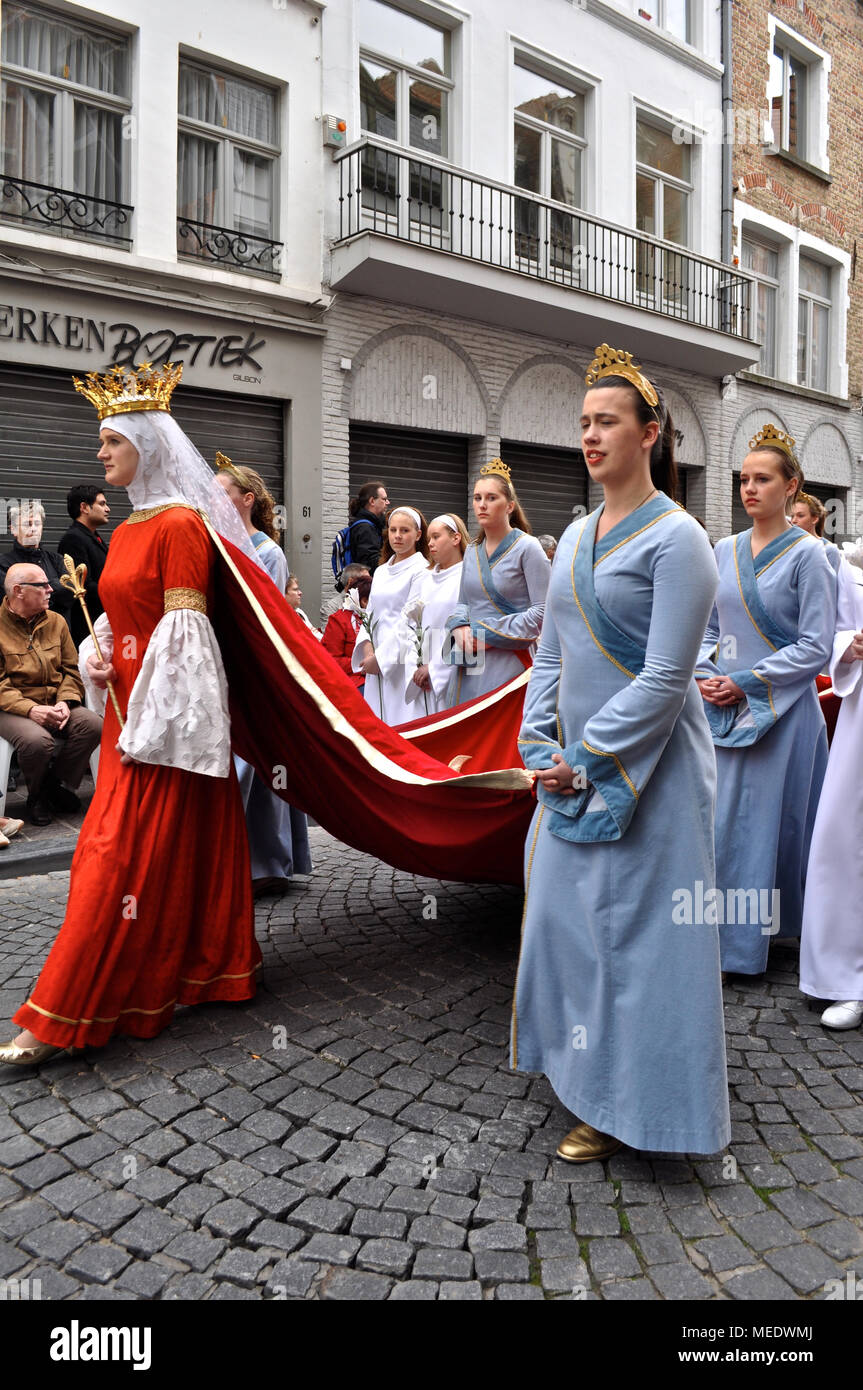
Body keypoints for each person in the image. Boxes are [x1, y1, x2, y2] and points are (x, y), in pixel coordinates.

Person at [0, 363, 264, 1064]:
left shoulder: (180, 524)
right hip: (124, 710)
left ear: (145, 445)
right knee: (116, 853)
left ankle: (64, 1011)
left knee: (119, 855)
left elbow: (188, 636)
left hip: (159, 725)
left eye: (110, 440)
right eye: (101, 442)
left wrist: (144, 702)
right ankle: (195, 969)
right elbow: (126, 615)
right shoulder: (135, 526)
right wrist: (98, 655)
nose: (99, 453)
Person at [512, 343, 729, 1162]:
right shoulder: (570, 534)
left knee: (641, 941)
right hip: (571, 772)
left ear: (650, 433)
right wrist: (539, 739)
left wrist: (590, 755)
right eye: (583, 423)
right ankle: (582, 1072)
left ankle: (640, 1106)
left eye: (607, 422)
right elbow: (552, 653)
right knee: (569, 926)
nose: (590, 436)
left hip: (655, 774)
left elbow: (670, 678)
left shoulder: (679, 543)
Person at [696, 424, 835, 977]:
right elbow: (706, 626)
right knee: (724, 825)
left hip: (785, 714)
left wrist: (748, 680)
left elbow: (816, 646)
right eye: (743, 480)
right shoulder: (721, 550)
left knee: (776, 826)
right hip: (723, 710)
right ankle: (719, 941)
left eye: (763, 479)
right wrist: (707, 671)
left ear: (792, 486)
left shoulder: (809, 556)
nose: (749, 489)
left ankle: (767, 939)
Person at [216, 461, 311, 897]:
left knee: (257, 762)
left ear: (247, 499)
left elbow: (267, 618)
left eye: (224, 491)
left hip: (253, 665)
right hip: (218, 662)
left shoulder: (267, 551)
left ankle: (268, 861)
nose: (215, 499)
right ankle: (229, 859)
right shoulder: (213, 542)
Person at [799, 557, 863, 1030]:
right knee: (843, 838)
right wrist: (850, 647)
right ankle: (846, 979)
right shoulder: (851, 565)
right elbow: (834, 633)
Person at [0, 562, 102, 826]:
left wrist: (65, 701)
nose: (50, 589)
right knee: (37, 741)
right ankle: (37, 796)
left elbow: (71, 669)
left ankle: (52, 787)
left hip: (55, 701)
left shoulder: (56, 622)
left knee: (93, 725)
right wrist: (31, 709)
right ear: (18, 591)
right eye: (42, 585)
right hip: (11, 708)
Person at [445, 463, 550, 705]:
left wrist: (486, 635)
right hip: (470, 657)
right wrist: (459, 627)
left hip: (511, 658)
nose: (482, 505)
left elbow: (543, 611)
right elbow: (463, 602)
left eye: (492, 498)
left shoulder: (528, 547)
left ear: (510, 506)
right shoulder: (471, 550)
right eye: (477, 498)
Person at [352, 507, 428, 724]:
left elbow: (411, 620)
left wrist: (382, 658)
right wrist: (368, 650)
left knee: (401, 721)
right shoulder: (382, 570)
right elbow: (370, 614)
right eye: (393, 530)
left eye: (404, 530)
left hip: (401, 660)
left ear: (418, 535)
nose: (397, 536)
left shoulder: (421, 570)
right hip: (376, 659)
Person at [402, 513, 469, 715]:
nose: (430, 543)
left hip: (455, 674)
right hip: (420, 675)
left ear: (456, 538)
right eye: (429, 538)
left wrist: (434, 668)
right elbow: (409, 623)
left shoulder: (468, 578)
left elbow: (470, 629)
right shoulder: (426, 578)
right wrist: (415, 665)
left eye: (436, 537)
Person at [214, 456, 287, 589]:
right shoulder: (213, 542)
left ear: (247, 499)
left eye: (222, 494)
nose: (213, 501)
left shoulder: (269, 553)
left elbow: (272, 607)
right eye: (211, 494)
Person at [0, 502, 75, 628]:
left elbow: (70, 593)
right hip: (22, 636)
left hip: (58, 634)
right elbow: (14, 602)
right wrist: (55, 585)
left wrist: (33, 590)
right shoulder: (3, 564)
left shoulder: (57, 560)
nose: (33, 528)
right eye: (27, 524)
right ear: (13, 529)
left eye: (37, 523)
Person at [57, 485, 111, 647]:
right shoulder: (73, 539)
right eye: (101, 504)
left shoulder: (93, 537)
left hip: (102, 619)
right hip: (88, 625)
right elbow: (84, 585)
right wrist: (113, 595)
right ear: (84, 507)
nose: (107, 509)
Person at [321, 563, 371, 690]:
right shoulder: (339, 619)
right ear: (364, 601)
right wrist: (362, 665)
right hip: (355, 680)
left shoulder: (379, 617)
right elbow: (331, 660)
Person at [791, 492, 843, 575]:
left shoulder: (829, 550)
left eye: (800, 516)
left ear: (815, 519)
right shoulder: (788, 546)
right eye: (792, 516)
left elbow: (829, 585)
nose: (794, 520)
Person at [345, 481, 389, 577]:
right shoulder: (365, 528)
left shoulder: (368, 525)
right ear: (372, 501)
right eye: (384, 499)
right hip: (366, 585)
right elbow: (370, 564)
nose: (388, 502)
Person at [286, 574, 322, 638]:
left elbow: (316, 635)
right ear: (284, 593)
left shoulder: (299, 612)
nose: (300, 593)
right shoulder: (284, 617)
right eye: (295, 589)